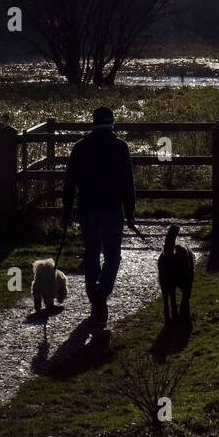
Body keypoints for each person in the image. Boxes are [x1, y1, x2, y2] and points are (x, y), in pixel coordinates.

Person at [61, 106, 136, 325]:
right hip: (112, 210)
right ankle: (102, 291)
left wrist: (66, 210)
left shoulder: (80, 147)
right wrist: (130, 211)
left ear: (93, 124)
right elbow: (127, 183)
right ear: (112, 123)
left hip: (87, 209)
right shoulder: (120, 147)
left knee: (92, 254)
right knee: (113, 256)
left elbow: (69, 183)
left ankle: (94, 296)